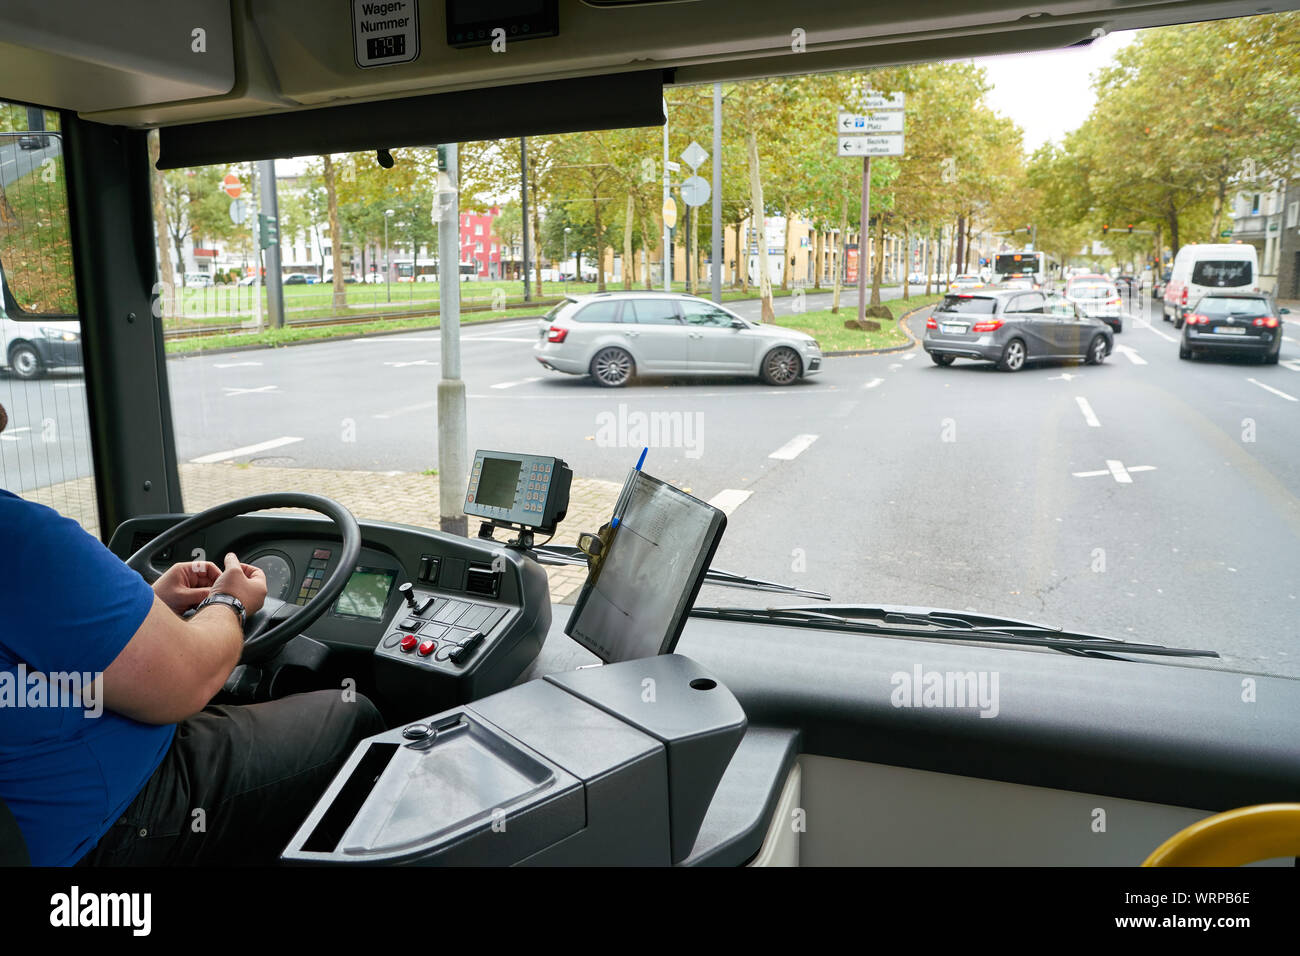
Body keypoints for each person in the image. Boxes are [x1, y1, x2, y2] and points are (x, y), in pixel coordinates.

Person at [0, 400, 386, 865]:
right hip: (106, 824)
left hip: (35, 816)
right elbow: (189, 679)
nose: (2, 415)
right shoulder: (19, 537)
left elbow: (44, 641)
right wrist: (230, 603)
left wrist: (150, 610)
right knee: (351, 715)